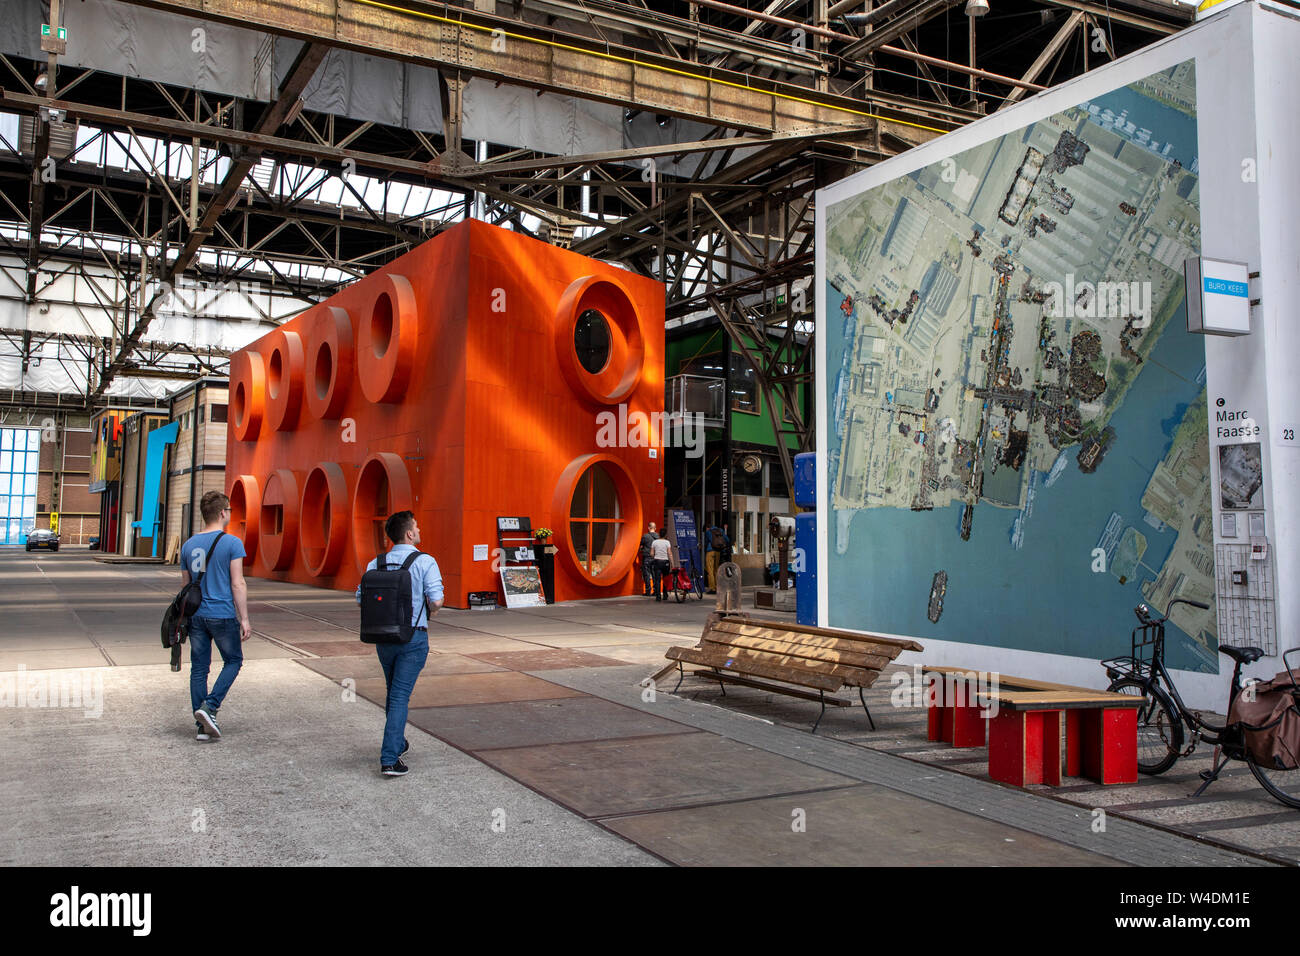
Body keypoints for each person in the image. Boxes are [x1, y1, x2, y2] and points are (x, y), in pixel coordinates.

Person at [356, 510, 444, 776]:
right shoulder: (425, 561)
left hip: (383, 638)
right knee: (399, 696)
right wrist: (431, 610)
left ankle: (398, 742)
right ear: (409, 533)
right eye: (416, 526)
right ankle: (389, 758)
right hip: (413, 637)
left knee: (394, 692)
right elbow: (437, 600)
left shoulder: (376, 563)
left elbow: (361, 598)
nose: (419, 530)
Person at [179, 491, 250, 742]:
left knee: (199, 669)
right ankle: (209, 707)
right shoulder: (232, 544)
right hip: (222, 615)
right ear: (222, 513)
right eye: (229, 511)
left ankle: (202, 727)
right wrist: (244, 618)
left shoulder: (188, 545)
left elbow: (186, 587)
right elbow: (237, 583)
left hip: (196, 616)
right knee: (233, 661)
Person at [704, 522, 730, 594]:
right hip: (718, 551)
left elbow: (706, 542)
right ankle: (717, 587)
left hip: (710, 551)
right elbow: (727, 540)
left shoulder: (708, 532)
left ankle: (712, 588)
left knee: (710, 570)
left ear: (707, 528)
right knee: (716, 569)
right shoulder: (720, 530)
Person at [650, 529, 673, 602]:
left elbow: (651, 554)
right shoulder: (667, 542)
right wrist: (672, 564)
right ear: (665, 535)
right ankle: (665, 595)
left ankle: (658, 596)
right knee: (665, 578)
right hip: (665, 562)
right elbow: (669, 553)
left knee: (657, 580)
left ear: (659, 534)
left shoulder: (654, 542)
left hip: (657, 562)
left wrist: (655, 556)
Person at [638, 521, 657, 596]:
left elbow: (641, 545)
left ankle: (648, 591)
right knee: (655, 574)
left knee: (647, 575)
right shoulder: (658, 536)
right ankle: (655, 591)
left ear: (648, 528)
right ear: (655, 528)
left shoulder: (645, 536)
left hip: (646, 557)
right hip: (655, 558)